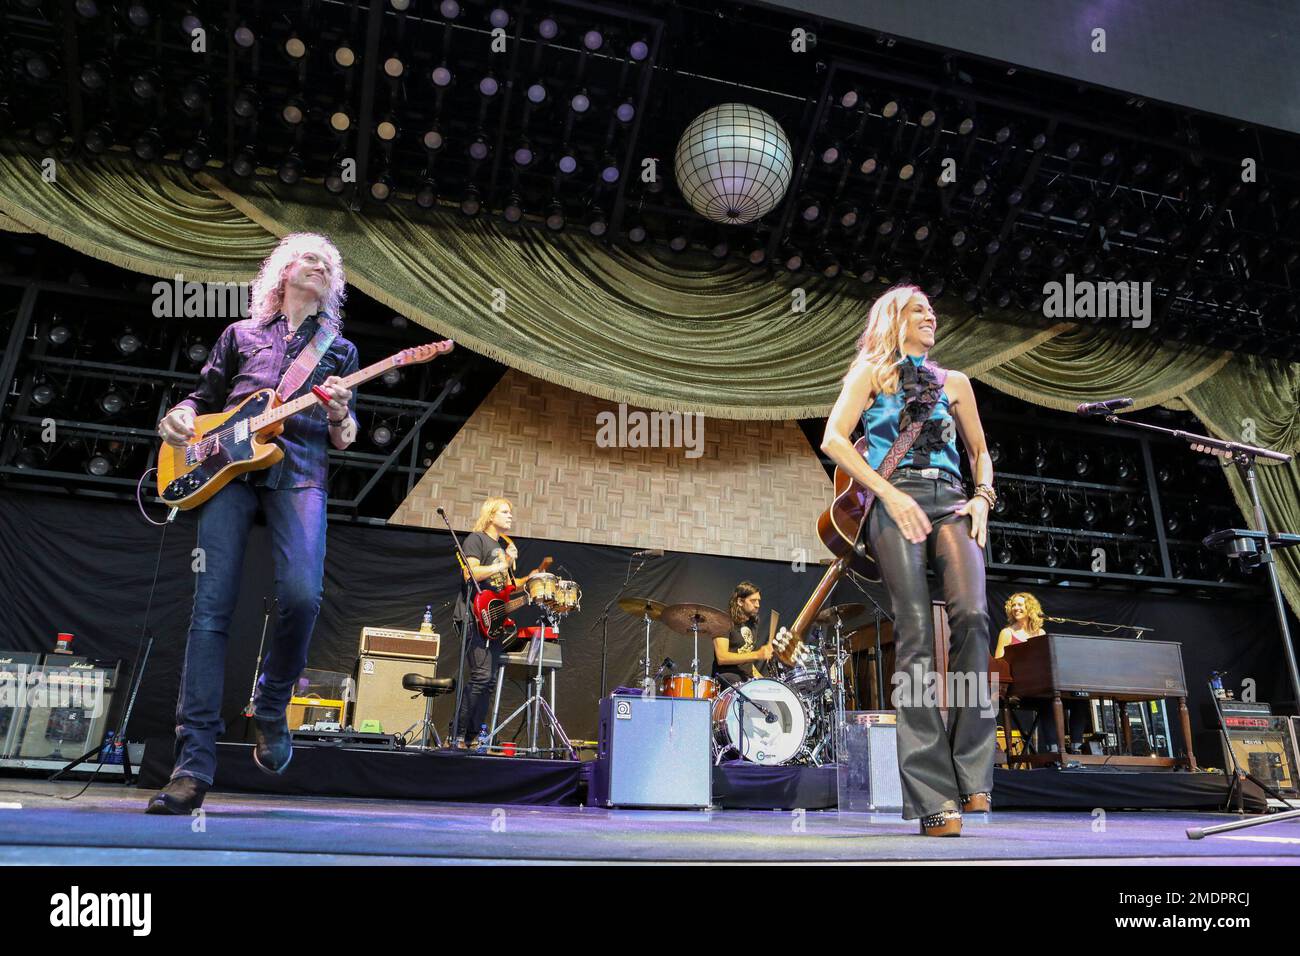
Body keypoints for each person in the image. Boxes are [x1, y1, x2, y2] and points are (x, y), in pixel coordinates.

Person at [147, 233, 359, 814]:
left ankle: (269, 705)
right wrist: (181, 417)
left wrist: (340, 411)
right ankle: (192, 767)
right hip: (224, 473)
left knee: (301, 596)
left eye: (327, 263)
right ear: (283, 272)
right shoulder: (240, 335)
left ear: (331, 285)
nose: (317, 265)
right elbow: (201, 397)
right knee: (210, 611)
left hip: (302, 471)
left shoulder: (339, 349)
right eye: (308, 258)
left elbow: (347, 435)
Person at [820, 284, 996, 836]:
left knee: (972, 617)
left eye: (933, 311)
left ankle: (972, 775)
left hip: (952, 503)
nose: (931, 316)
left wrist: (983, 498)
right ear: (894, 317)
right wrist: (889, 493)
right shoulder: (870, 372)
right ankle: (931, 797)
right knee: (917, 632)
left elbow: (979, 453)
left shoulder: (957, 384)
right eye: (919, 309)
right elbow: (835, 439)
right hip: (893, 502)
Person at [452, 497, 537, 749]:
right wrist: (502, 563)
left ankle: (471, 737)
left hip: (494, 620)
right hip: (473, 616)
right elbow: (471, 572)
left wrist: (529, 580)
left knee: (487, 681)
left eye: (510, 512)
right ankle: (456, 735)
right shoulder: (477, 539)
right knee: (480, 676)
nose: (510, 516)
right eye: (505, 511)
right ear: (491, 515)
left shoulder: (502, 547)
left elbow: (507, 587)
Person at [995, 592, 1090, 752]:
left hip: (1041, 688)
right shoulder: (1007, 633)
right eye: (1013, 605)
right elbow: (999, 662)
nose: (1015, 608)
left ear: (1030, 608)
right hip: (1021, 691)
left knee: (1080, 700)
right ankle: (1054, 750)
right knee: (1048, 700)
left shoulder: (1041, 633)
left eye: (1020, 605)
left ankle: (1076, 747)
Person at [711, 581, 775, 687]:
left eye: (758, 601)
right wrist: (757, 654)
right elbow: (721, 657)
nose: (757, 605)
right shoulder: (723, 621)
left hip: (746, 678)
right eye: (753, 601)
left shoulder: (751, 623)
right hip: (727, 679)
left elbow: (745, 660)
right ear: (740, 601)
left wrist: (764, 681)